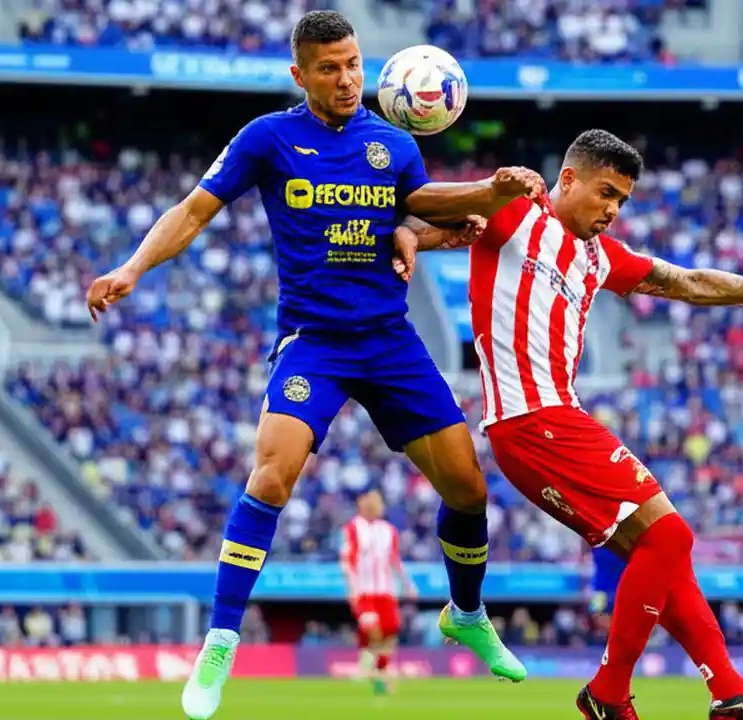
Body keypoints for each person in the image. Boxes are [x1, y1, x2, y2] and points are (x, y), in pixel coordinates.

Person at [84, 11, 542, 719]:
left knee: (469, 488)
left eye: (354, 63)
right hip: (314, 341)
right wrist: (132, 267)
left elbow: (414, 208)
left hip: (389, 339)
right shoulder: (268, 137)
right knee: (272, 475)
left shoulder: (393, 143)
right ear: (300, 75)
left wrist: (478, 201)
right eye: (329, 68)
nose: (347, 78)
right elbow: (194, 210)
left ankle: (467, 613)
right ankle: (220, 643)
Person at [398, 129, 743, 720]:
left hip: (558, 418)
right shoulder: (512, 213)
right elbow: (426, 220)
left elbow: (689, 282)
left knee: (664, 550)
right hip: (531, 420)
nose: (612, 210)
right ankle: (608, 693)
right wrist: (408, 233)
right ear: (569, 179)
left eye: (622, 201)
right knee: (671, 536)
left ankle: (730, 692)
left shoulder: (598, 256)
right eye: (605, 192)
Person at [340, 489, 416, 695]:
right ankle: (368, 665)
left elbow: (395, 560)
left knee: (391, 629)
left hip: (385, 590)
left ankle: (380, 670)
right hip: (364, 590)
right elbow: (348, 559)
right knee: (372, 627)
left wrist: (408, 584)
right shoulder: (354, 527)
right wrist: (352, 587)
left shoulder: (388, 530)